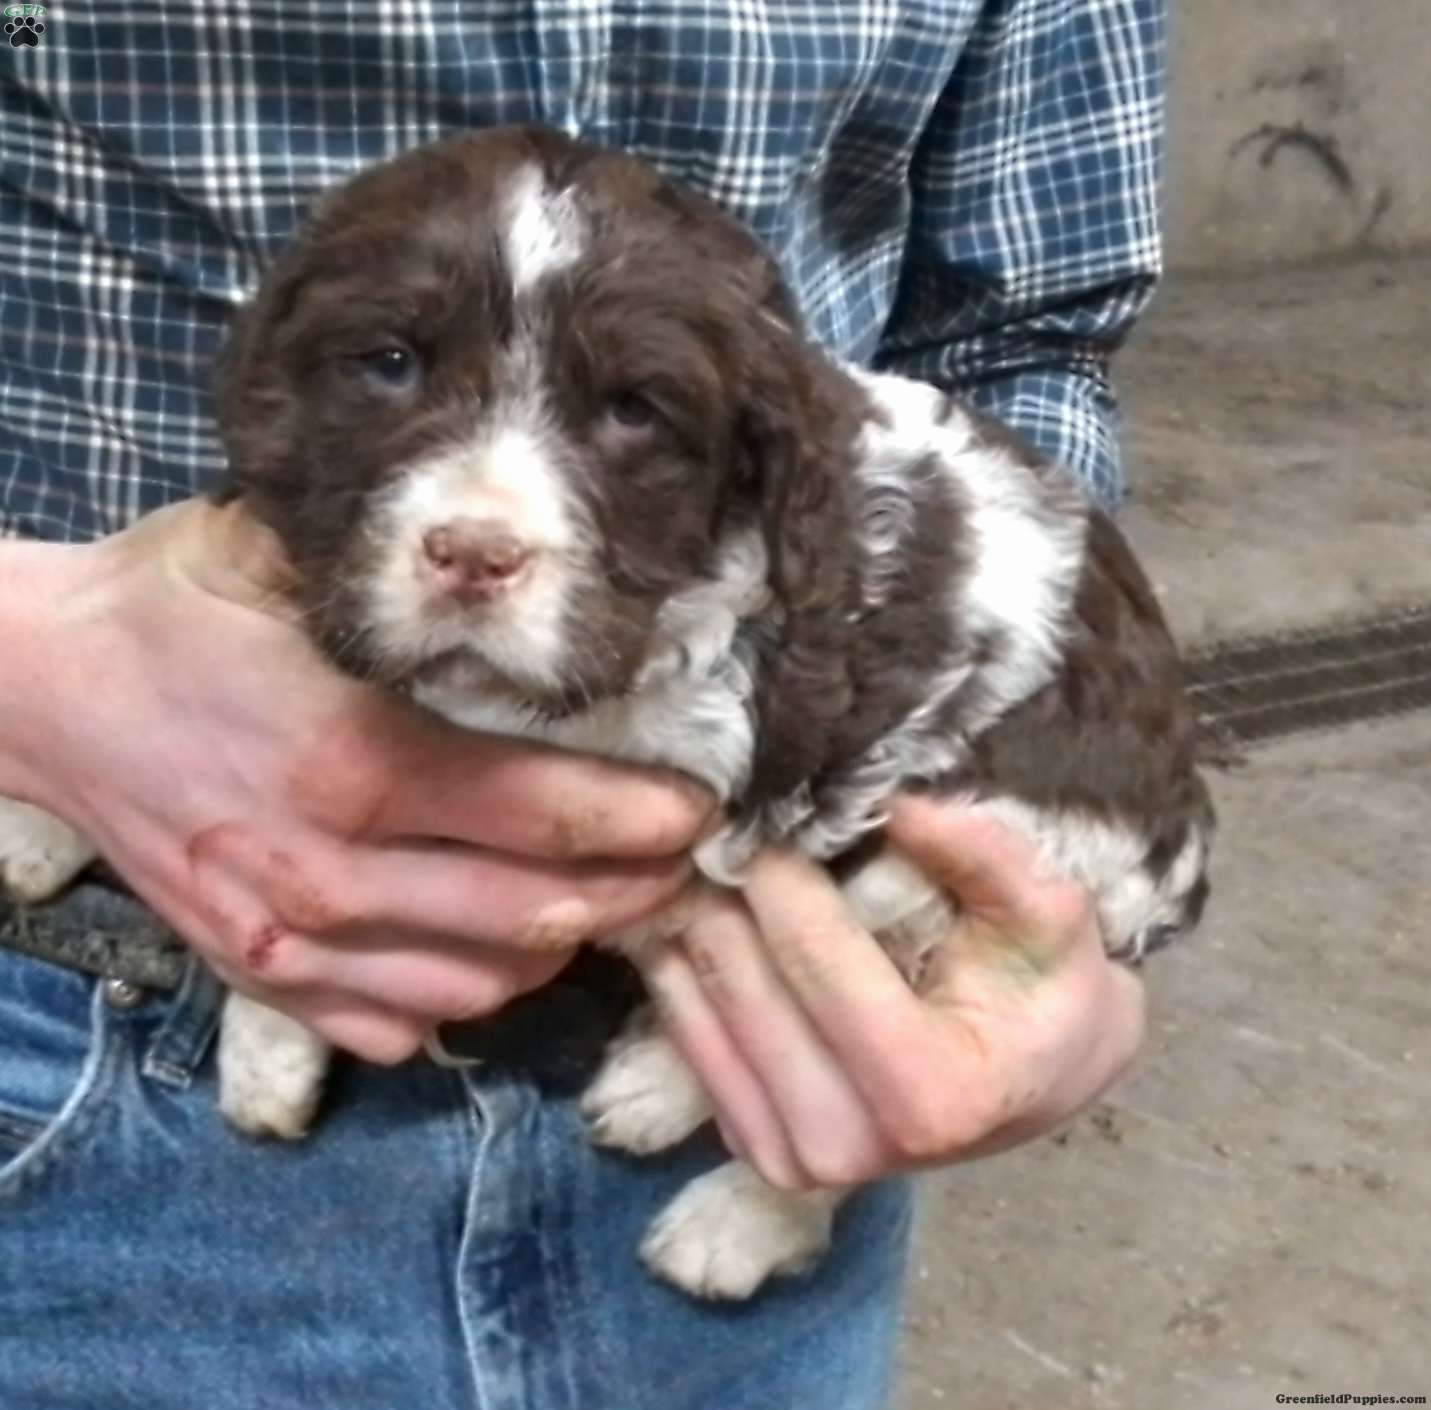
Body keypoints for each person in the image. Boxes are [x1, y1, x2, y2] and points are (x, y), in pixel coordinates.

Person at [0, 3, 1160, 1406]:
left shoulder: (803, 512)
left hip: (784, 1040)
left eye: (627, 413)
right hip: (81, 1040)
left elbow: (1025, 338)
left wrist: (1038, 977)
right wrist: (33, 668)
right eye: (392, 365)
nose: (482, 521)